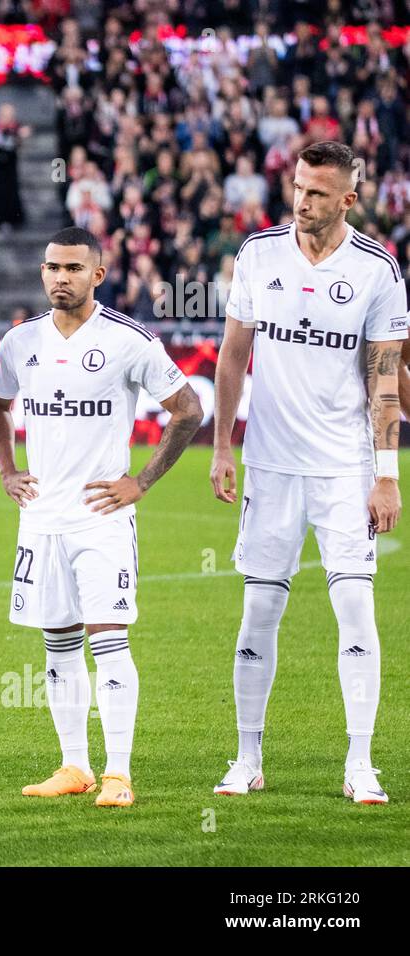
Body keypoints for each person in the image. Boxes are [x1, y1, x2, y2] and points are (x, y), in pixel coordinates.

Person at [211, 142, 406, 804]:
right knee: (259, 610)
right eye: (297, 187)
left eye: (318, 192)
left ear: (348, 199)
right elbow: (232, 357)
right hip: (270, 466)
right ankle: (247, 757)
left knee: (355, 608)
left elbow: (384, 381)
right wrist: (221, 446)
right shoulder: (259, 254)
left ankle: (359, 764)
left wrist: (387, 476)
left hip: (342, 469)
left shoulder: (377, 269)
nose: (302, 200)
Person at [0, 226, 203, 808]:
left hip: (101, 518)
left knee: (107, 638)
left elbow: (188, 409)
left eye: (74, 269)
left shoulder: (128, 340)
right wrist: (8, 471)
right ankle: (74, 765)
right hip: (40, 519)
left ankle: (119, 773)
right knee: (57, 644)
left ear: (97, 275)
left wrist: (142, 481)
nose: (61, 277)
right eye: (53, 267)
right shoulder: (19, 343)